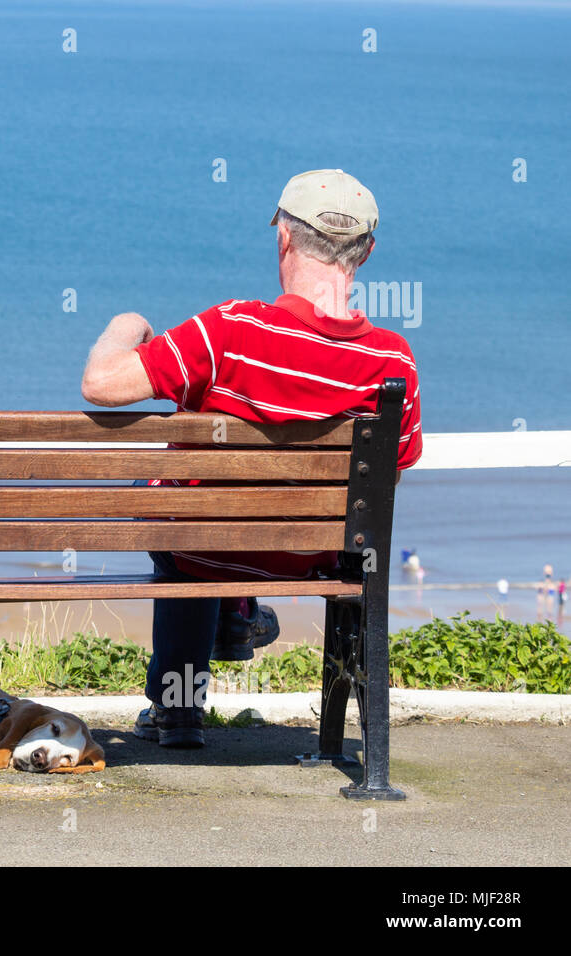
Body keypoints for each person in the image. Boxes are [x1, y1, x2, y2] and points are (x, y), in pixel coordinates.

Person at [81, 169, 423, 747]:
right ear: (365, 252)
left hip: (207, 554)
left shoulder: (230, 332)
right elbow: (396, 466)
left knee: (170, 499)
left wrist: (126, 326)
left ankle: (180, 706)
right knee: (217, 513)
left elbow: (101, 384)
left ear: (285, 239)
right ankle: (236, 616)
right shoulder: (394, 363)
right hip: (312, 557)